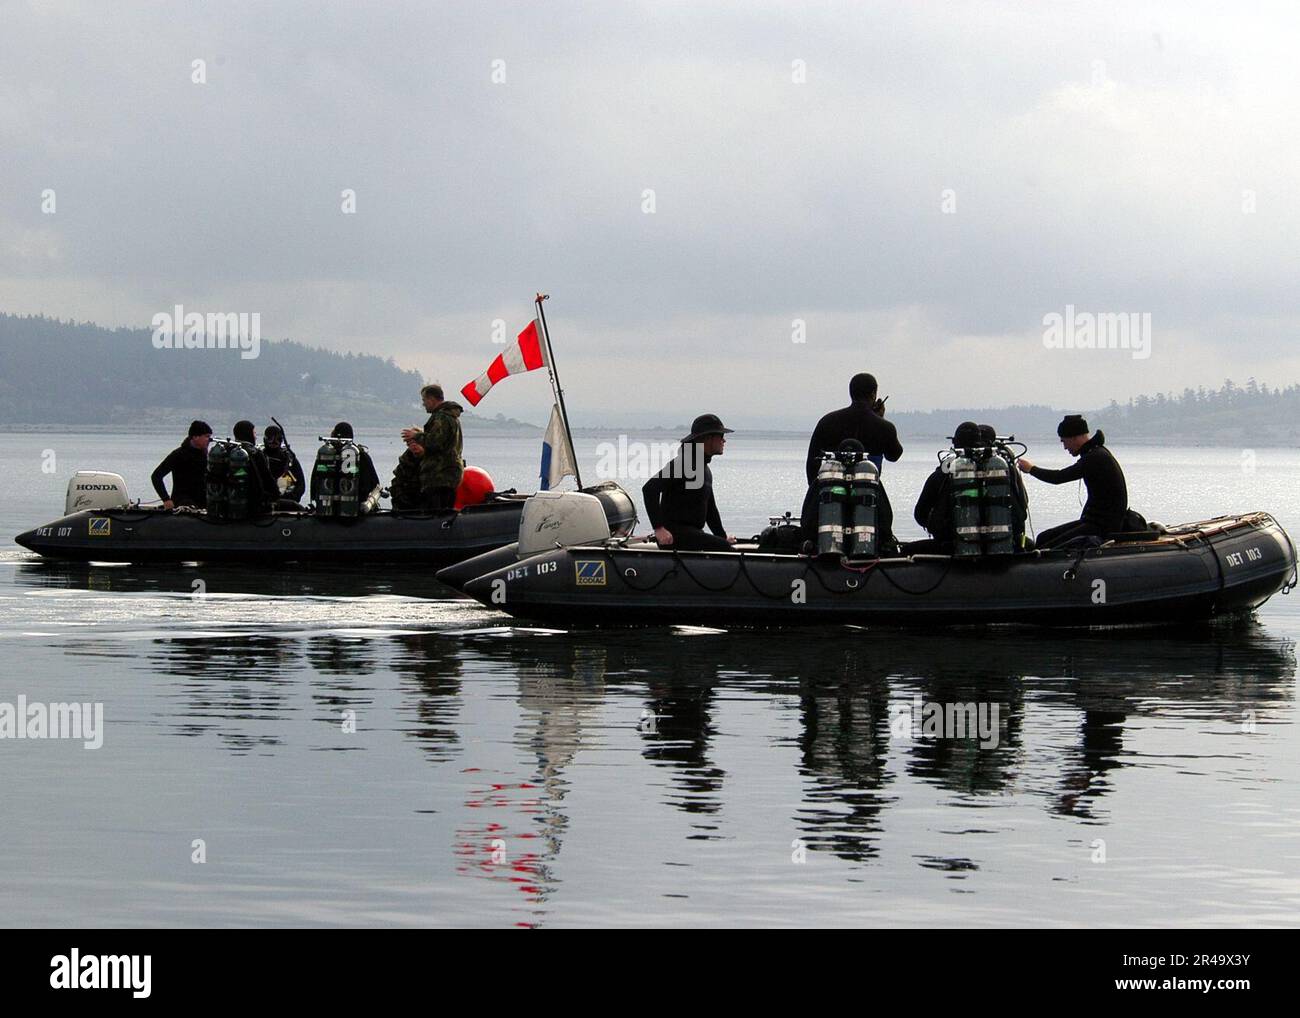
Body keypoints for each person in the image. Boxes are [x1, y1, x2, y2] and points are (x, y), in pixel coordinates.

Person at [800, 373, 903, 549]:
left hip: (829, 497)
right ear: (873, 395)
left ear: (851, 393)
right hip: (868, 501)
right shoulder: (883, 427)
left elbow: (812, 464)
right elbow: (895, 455)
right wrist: (880, 419)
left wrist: (817, 492)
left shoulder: (828, 422)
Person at [1018, 415, 1128, 549]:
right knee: (1043, 538)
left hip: (1103, 526)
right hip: (1092, 522)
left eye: (1064, 441)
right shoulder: (1095, 452)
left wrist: (1031, 469)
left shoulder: (1096, 457)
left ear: (1075, 437)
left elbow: (1058, 477)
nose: (1065, 447)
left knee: (1048, 548)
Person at [642, 414, 736, 552]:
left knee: (724, 545)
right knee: (724, 548)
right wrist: (659, 529)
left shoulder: (703, 468)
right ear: (707, 438)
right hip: (675, 536)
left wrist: (721, 537)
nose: (724, 441)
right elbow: (649, 489)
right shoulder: (684, 463)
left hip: (692, 534)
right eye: (721, 436)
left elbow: (710, 510)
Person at [912, 421, 980, 549]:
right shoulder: (995, 471)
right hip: (993, 544)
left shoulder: (942, 473)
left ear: (955, 444)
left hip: (947, 545)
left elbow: (920, 514)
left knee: (906, 550)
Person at [400, 384, 464, 510]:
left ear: (432, 399)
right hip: (449, 474)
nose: (423, 404)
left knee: (436, 512)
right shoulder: (451, 417)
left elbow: (435, 442)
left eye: (424, 400)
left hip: (440, 475)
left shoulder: (442, 418)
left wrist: (417, 436)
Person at [979, 423, 1031, 549]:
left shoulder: (952, 470)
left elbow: (922, 514)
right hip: (1008, 542)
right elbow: (1021, 510)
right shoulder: (1005, 468)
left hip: (960, 544)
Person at [150, 420, 212, 509]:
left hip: (202, 500)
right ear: (195, 437)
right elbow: (156, 476)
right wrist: (166, 499)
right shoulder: (178, 455)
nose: (209, 440)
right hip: (182, 500)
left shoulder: (205, 455)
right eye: (207, 436)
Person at [231, 419, 279, 514]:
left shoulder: (230, 451)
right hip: (255, 505)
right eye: (254, 433)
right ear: (248, 434)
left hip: (231, 502)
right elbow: (267, 480)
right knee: (294, 505)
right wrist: (275, 495)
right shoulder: (256, 454)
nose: (255, 437)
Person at [331, 422, 381, 506]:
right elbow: (374, 483)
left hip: (329, 506)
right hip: (358, 506)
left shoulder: (327, 455)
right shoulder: (362, 455)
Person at [262, 424, 306, 503]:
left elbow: (301, 485)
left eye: (277, 439)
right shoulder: (260, 458)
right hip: (265, 501)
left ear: (281, 440)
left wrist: (292, 498)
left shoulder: (289, 458)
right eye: (270, 439)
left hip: (288, 501)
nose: (274, 442)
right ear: (265, 440)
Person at [390, 439, 425, 511]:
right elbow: (396, 483)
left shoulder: (432, 461)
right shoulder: (405, 461)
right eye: (411, 443)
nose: (414, 445)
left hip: (426, 503)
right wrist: (400, 496)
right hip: (405, 504)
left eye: (417, 442)